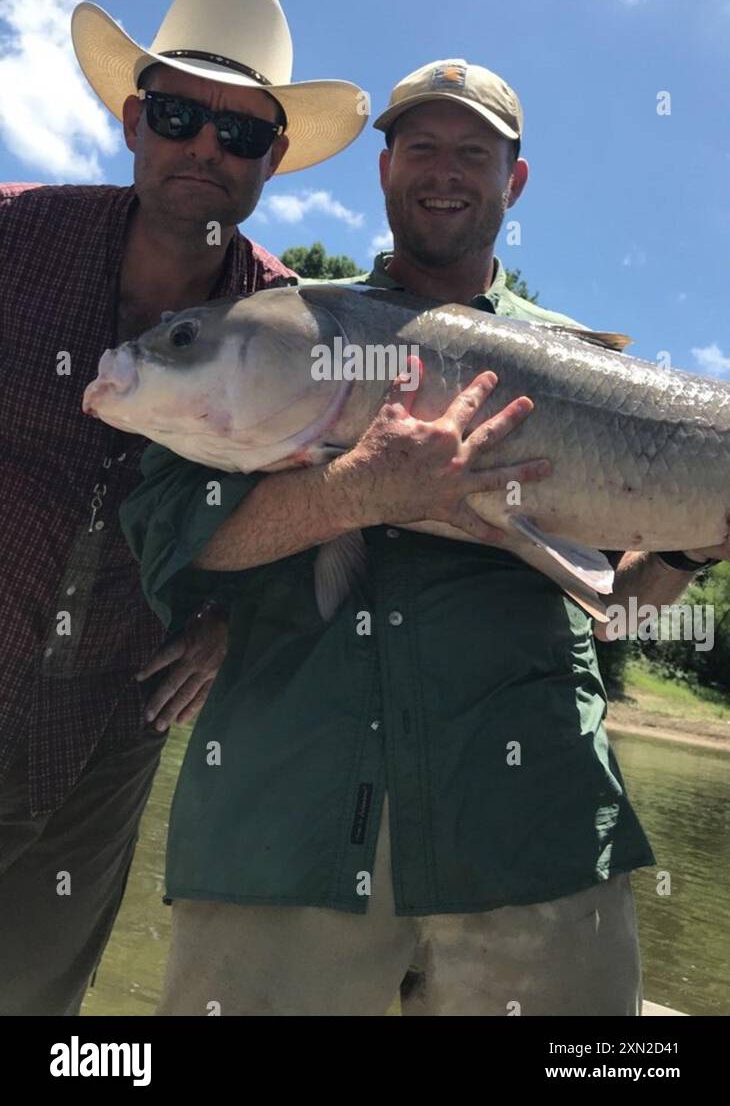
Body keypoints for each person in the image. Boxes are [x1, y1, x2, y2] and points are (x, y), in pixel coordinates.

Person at [121, 57, 728, 1017]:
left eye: (472, 153)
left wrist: (693, 547)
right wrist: (356, 490)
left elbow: (618, 605)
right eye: (421, 148)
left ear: (512, 182)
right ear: (385, 170)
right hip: (285, 849)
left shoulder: (577, 351)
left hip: (536, 850)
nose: (444, 171)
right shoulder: (286, 322)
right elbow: (178, 541)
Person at [0, 0, 367, 1016]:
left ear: (273, 160)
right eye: (178, 113)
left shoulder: (299, 325)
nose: (207, 147)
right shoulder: (13, 235)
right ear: (133, 120)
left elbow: (327, 505)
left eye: (242, 133)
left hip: (106, 732)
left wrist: (226, 623)